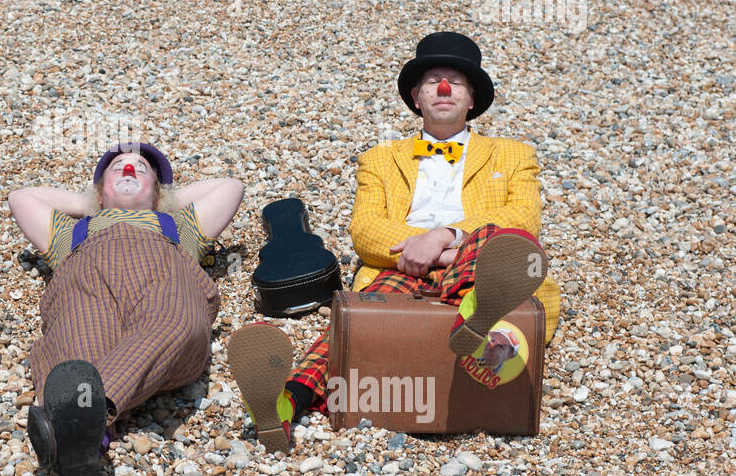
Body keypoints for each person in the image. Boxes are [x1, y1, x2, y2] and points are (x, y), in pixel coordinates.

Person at [228, 31, 560, 449]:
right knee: (351, 329)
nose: (443, 88)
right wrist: (431, 253)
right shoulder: (380, 159)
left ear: (472, 100)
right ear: (416, 98)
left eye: (455, 82)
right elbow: (366, 229)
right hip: (406, 268)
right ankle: (286, 404)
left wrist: (442, 236)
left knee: (503, 237)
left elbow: (524, 219)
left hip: (482, 268)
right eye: (432, 81)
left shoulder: (514, 154)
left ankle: (475, 309)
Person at [8, 142, 243, 476]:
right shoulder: (69, 232)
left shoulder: (180, 225)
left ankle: (75, 422)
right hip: (88, 285)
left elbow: (231, 186)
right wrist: (91, 200)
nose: (130, 170)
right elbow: (19, 197)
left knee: (178, 323)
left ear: (159, 193)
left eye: (142, 169)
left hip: (162, 279)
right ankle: (83, 439)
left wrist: (165, 199)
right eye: (117, 167)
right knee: (76, 345)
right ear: (99, 192)